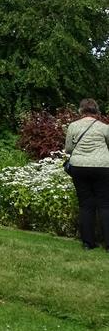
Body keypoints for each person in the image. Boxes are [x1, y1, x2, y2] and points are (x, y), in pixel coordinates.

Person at [64, 98, 109, 250]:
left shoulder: (73, 126)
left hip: (79, 167)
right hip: (102, 167)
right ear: (96, 111)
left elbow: (69, 149)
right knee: (104, 204)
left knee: (85, 204)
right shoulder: (104, 127)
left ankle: (88, 243)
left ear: (81, 110)